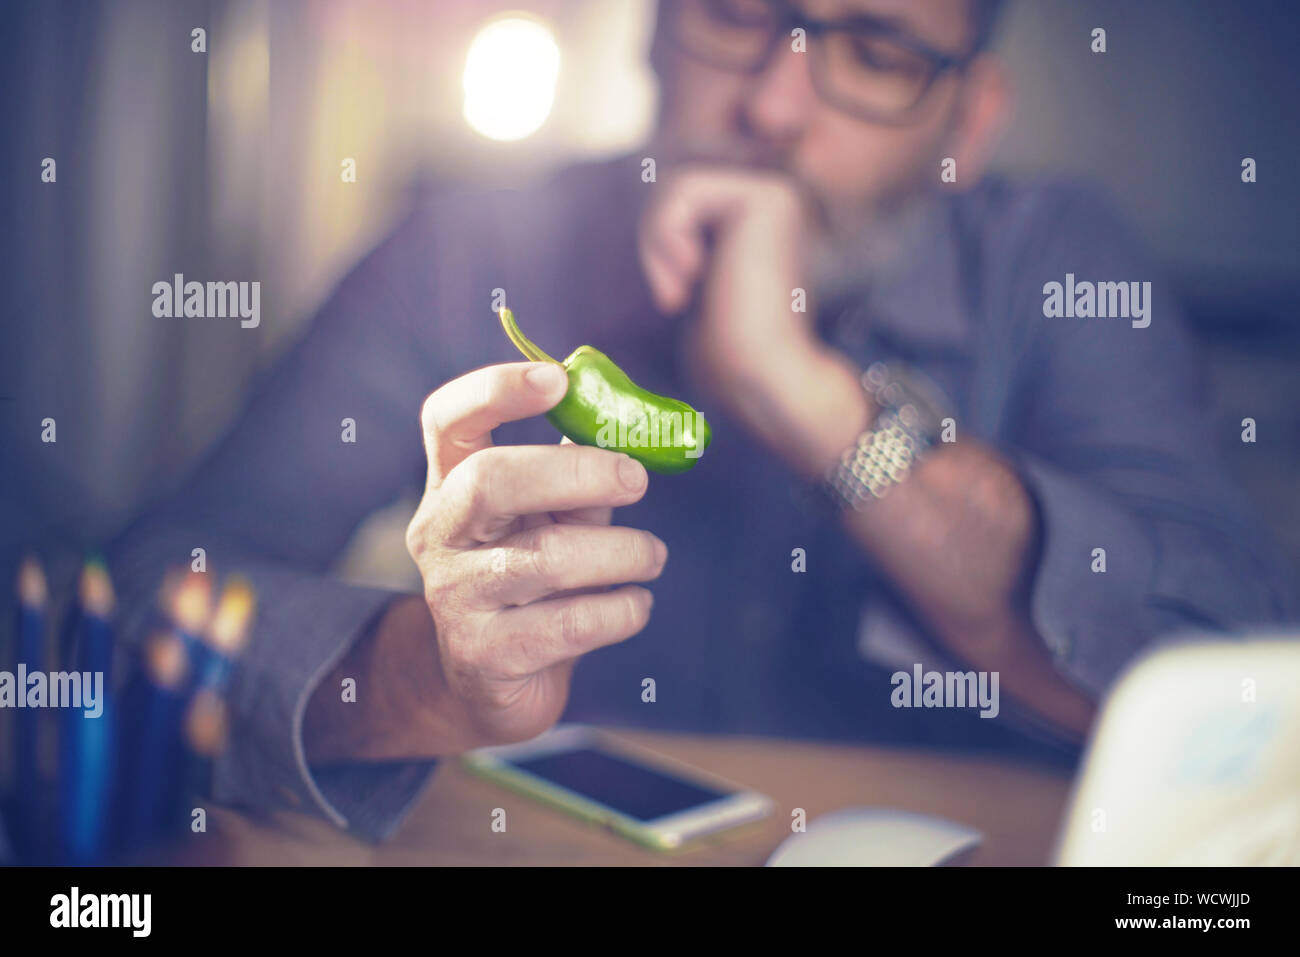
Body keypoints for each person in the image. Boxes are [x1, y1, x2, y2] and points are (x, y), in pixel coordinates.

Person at [108, 0, 1295, 841]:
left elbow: (1236, 676)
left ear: (968, 118)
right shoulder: (466, 254)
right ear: (652, 26)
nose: (776, 102)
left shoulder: (1054, 263)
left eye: (873, 48)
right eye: (735, 13)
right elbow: (148, 599)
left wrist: (802, 395)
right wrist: (421, 672)